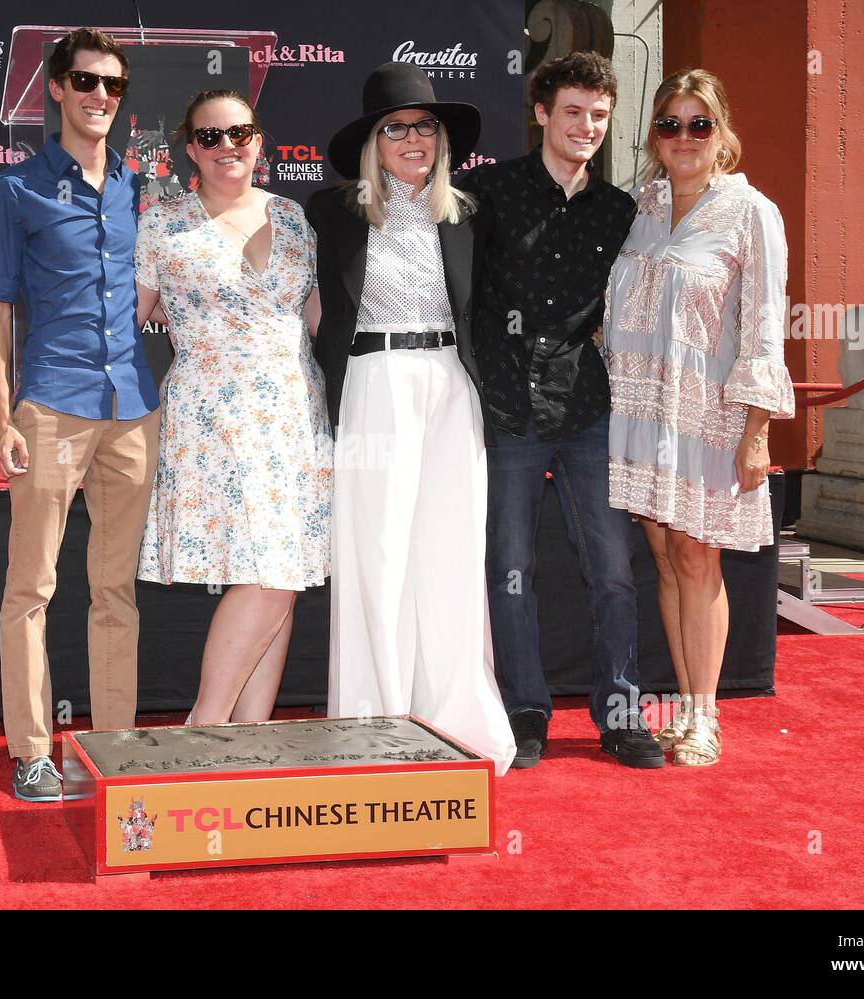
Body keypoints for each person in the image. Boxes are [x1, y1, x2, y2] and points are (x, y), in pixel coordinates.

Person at [307, 62, 516, 776]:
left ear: (442, 137)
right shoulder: (330, 213)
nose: (413, 138)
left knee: (451, 556)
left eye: (425, 126)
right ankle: (376, 724)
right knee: (378, 556)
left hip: (452, 389)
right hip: (373, 386)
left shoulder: (470, 213)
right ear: (373, 140)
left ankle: (458, 719)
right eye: (395, 127)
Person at [461, 52, 662, 769]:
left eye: (600, 116)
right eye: (572, 111)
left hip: (585, 406)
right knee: (510, 565)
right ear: (542, 112)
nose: (586, 126)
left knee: (610, 565)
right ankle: (525, 710)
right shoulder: (484, 192)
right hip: (508, 406)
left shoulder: (619, 210)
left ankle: (620, 713)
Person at [0, 29, 159, 802]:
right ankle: (30, 751)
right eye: (85, 82)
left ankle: (111, 746)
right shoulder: (13, 188)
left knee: (115, 589)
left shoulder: (142, 190)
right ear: (55, 88)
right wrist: (2, 416)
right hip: (50, 405)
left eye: (113, 86)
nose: (99, 98)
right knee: (34, 586)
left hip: (134, 411)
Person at [602, 69, 794, 766]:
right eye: (671, 124)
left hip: (707, 416)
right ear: (654, 137)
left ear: (722, 133)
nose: (684, 137)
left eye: (699, 124)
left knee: (696, 555)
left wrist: (758, 430)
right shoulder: (640, 205)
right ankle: (683, 706)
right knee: (662, 556)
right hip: (638, 411)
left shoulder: (751, 213)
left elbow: (765, 328)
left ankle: (704, 714)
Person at [133, 90, 332, 726]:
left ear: (259, 140)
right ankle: (207, 724)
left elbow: (317, 318)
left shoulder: (296, 217)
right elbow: (130, 319)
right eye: (211, 136)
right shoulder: (161, 222)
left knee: (284, 572)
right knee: (272, 569)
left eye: (239, 133)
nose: (228, 147)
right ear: (189, 148)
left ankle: (248, 734)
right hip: (212, 415)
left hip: (294, 414)